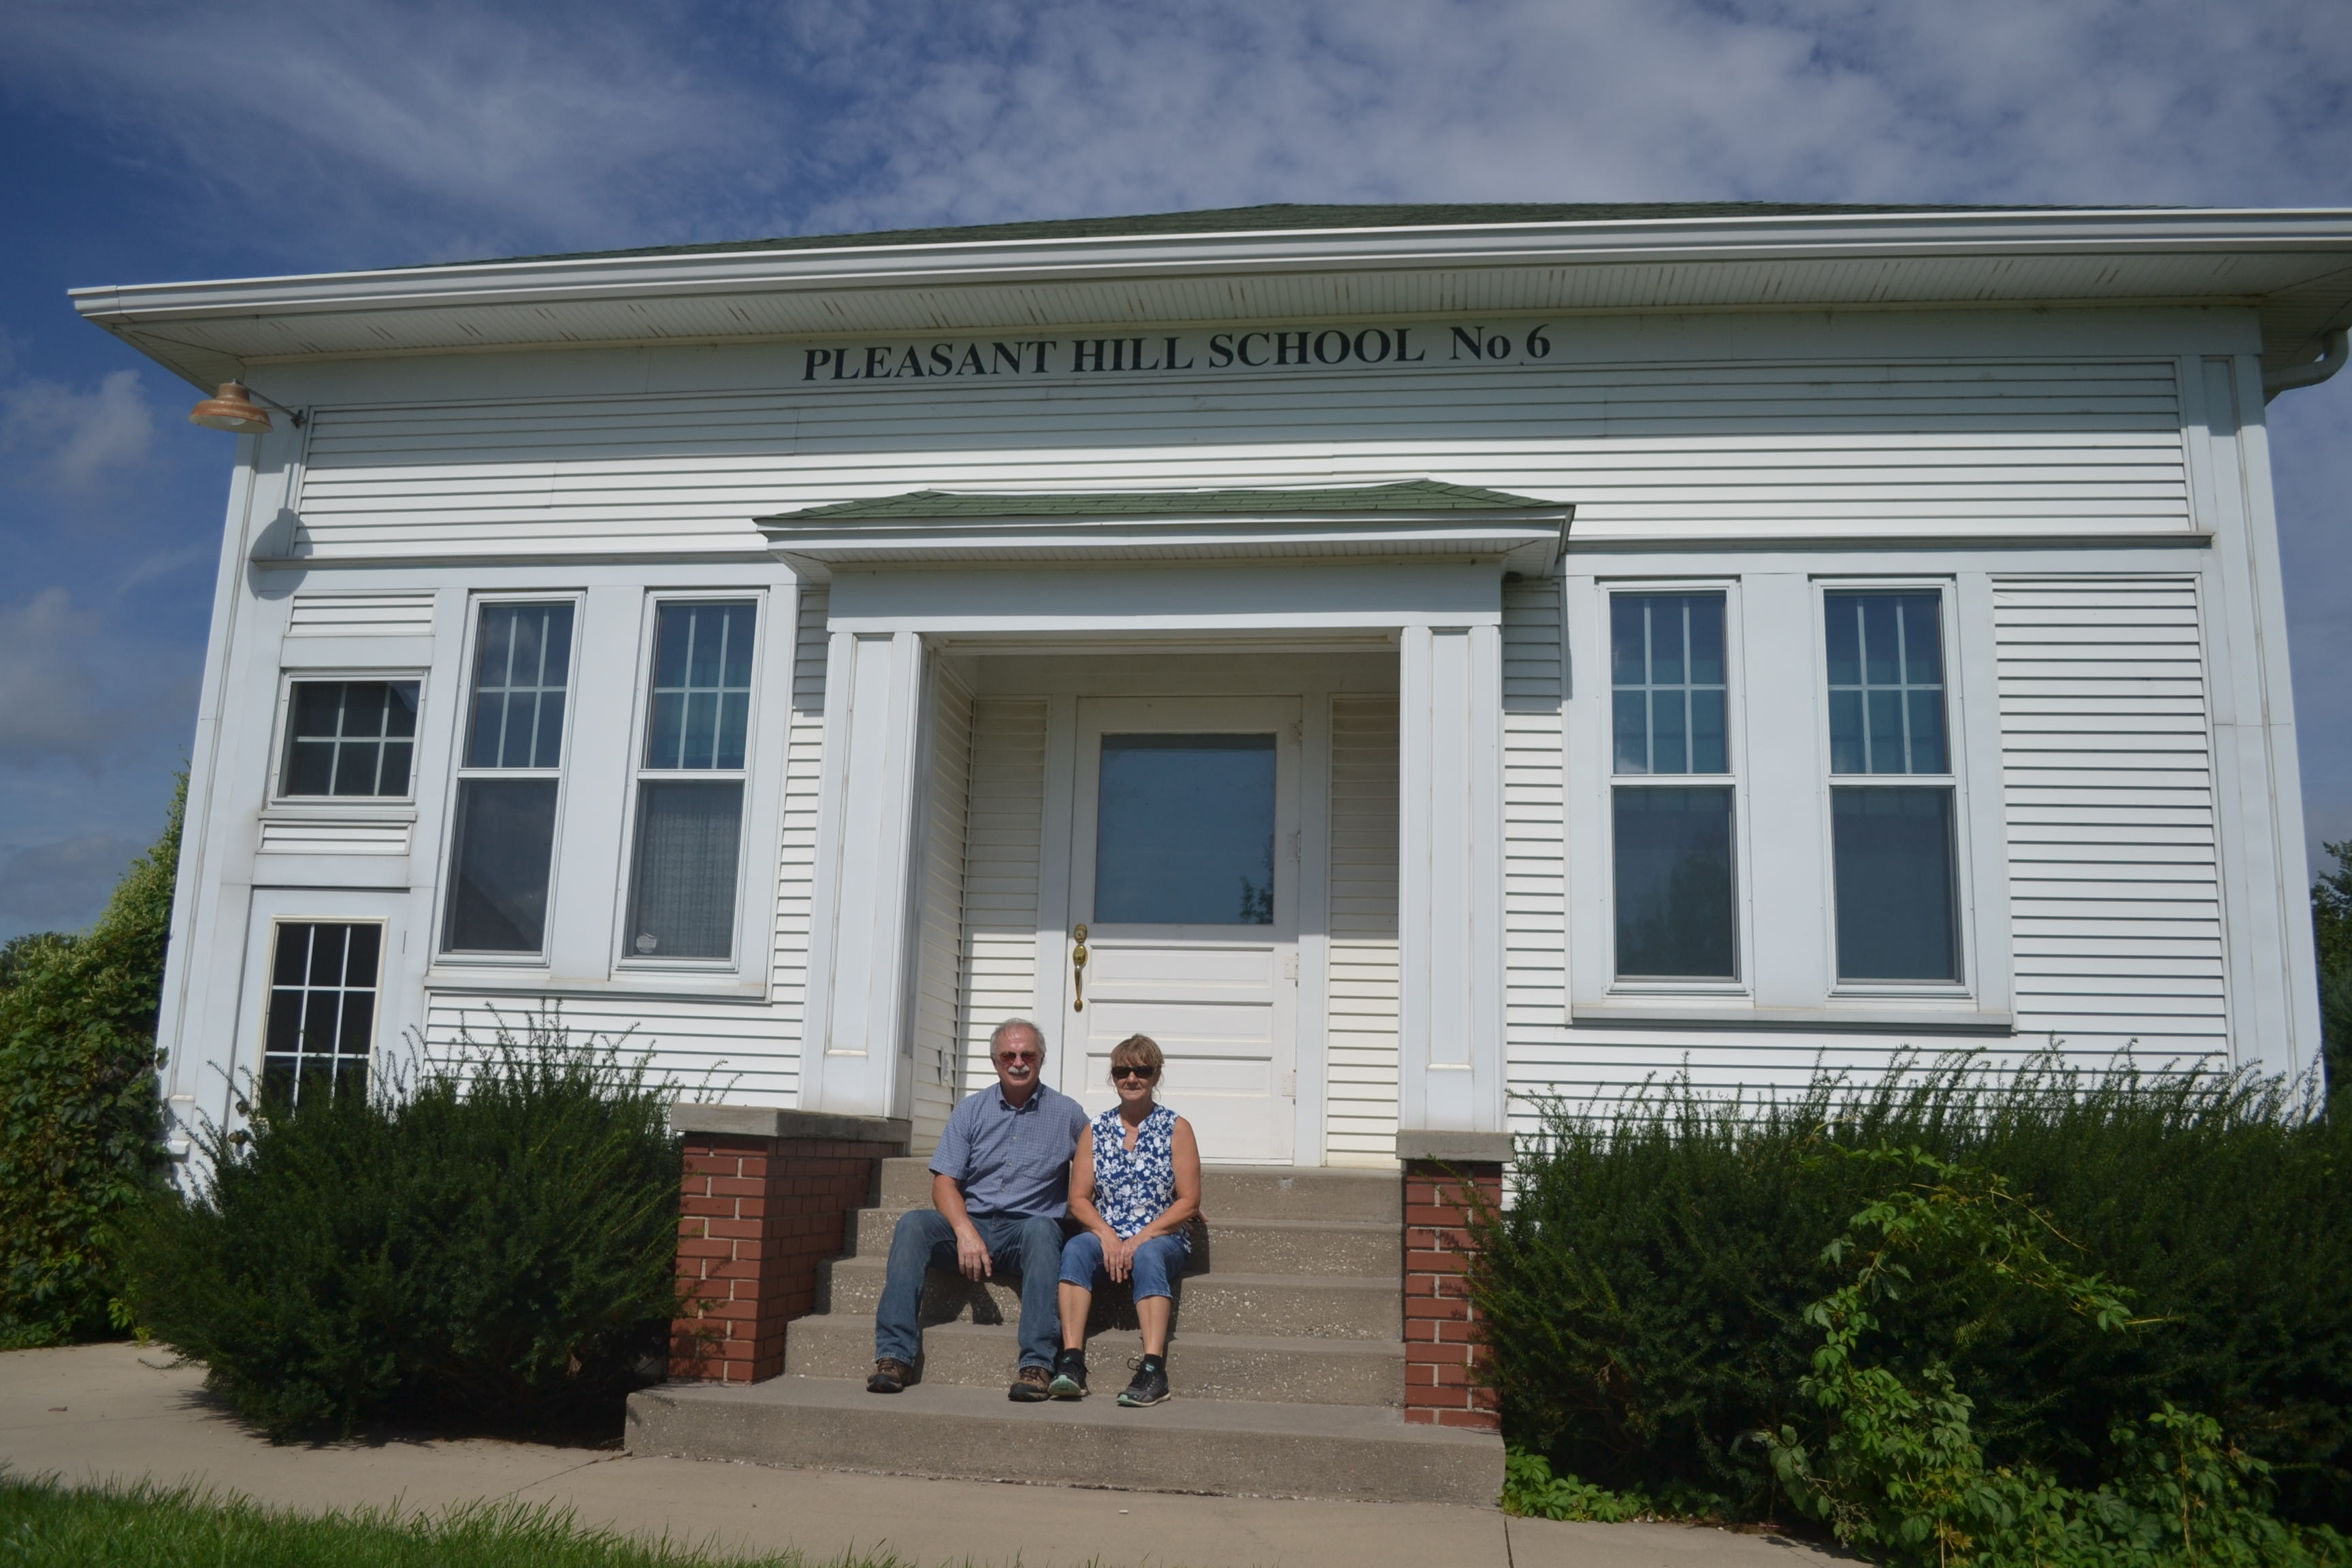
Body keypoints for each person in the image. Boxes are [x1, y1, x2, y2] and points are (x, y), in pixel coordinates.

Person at [868, 1017, 1089, 1402]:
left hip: (1027, 1233)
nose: (1018, 1062)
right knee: (913, 1226)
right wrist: (964, 1231)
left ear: (1041, 1059)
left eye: (1028, 1054)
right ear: (995, 1061)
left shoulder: (1068, 1113)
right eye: (1009, 1055)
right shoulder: (971, 1110)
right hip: (971, 1226)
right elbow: (944, 1183)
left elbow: (1100, 1172)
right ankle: (894, 1358)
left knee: (1042, 1230)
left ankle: (1037, 1365)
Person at [1047, 1033, 1201, 1407]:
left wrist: (1139, 1239)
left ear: (1156, 1075)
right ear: (1113, 1077)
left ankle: (1153, 1370)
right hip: (1108, 1235)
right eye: (1122, 1071)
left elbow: (1189, 1201)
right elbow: (1079, 1200)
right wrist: (1107, 1235)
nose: (1131, 1078)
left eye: (1142, 1070)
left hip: (1162, 1238)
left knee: (1149, 1257)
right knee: (1077, 1249)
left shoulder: (1176, 1128)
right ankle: (1071, 1362)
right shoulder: (1095, 1131)